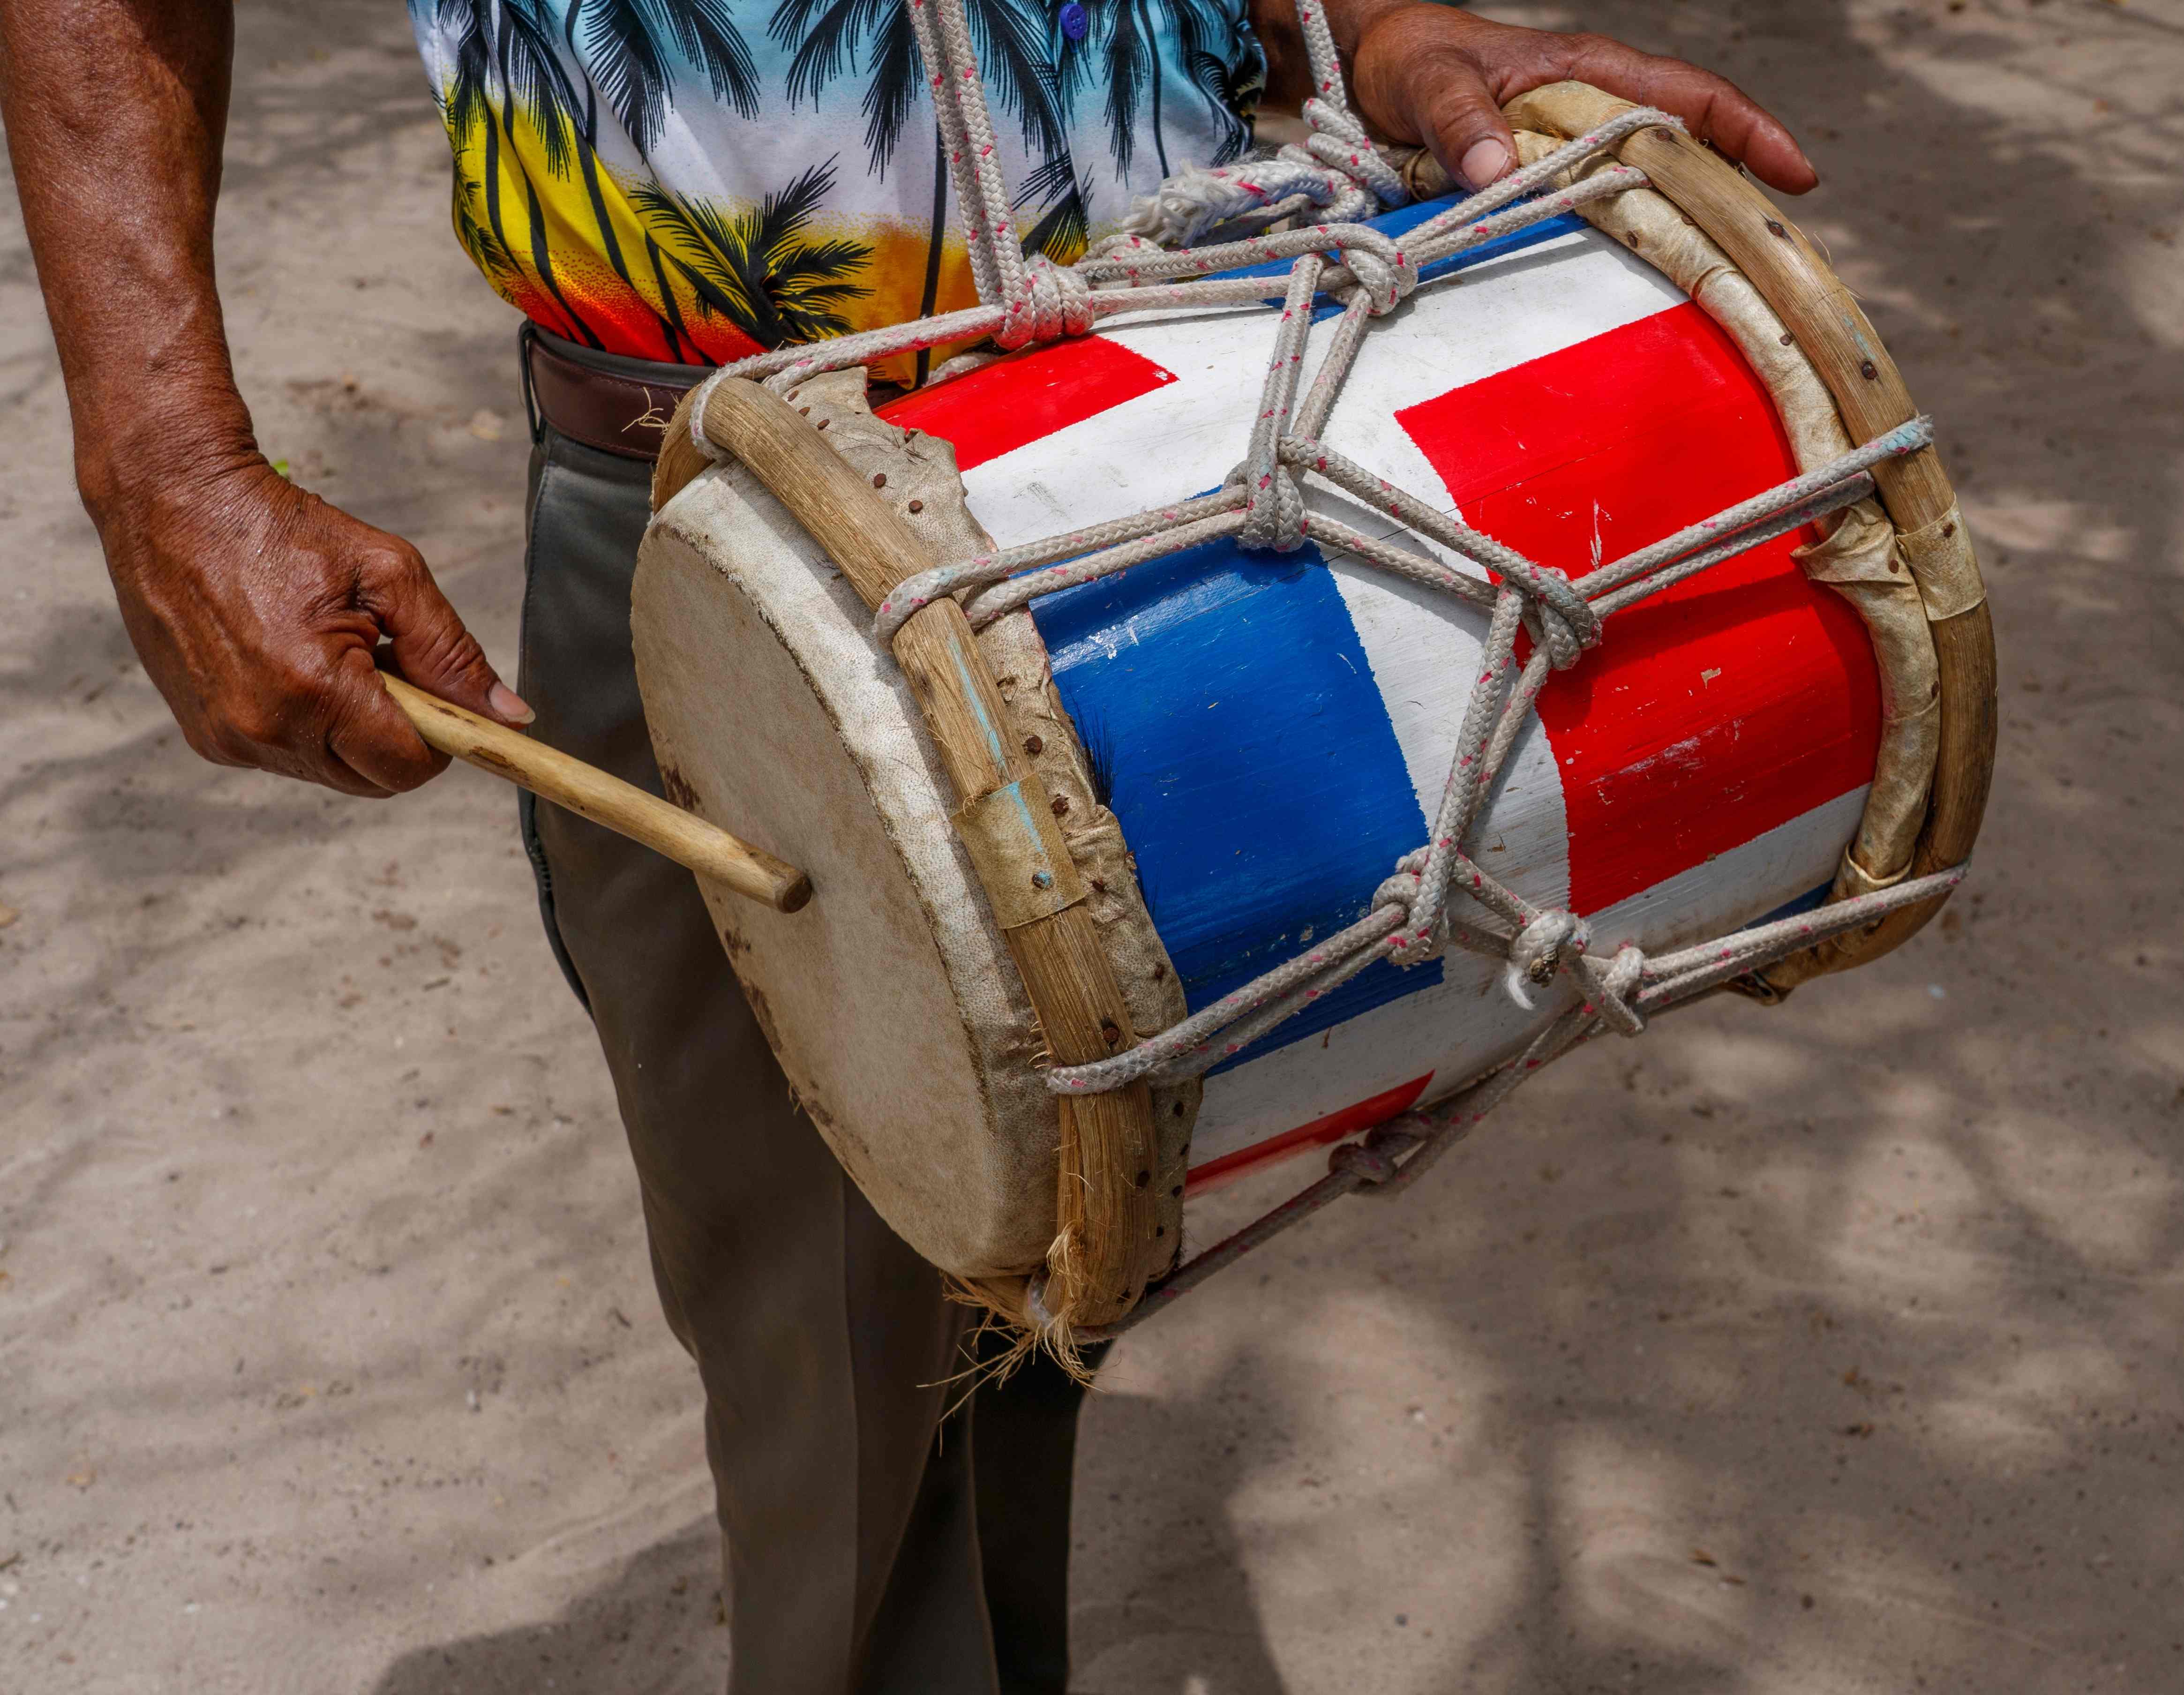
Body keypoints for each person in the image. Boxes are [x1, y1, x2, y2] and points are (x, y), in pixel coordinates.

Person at [0, 1, 1815, 1687]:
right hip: (734, 483)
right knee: (830, 1305)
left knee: (1062, 1208)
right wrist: (164, 454)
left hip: (1197, 412)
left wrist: (1360, 28)